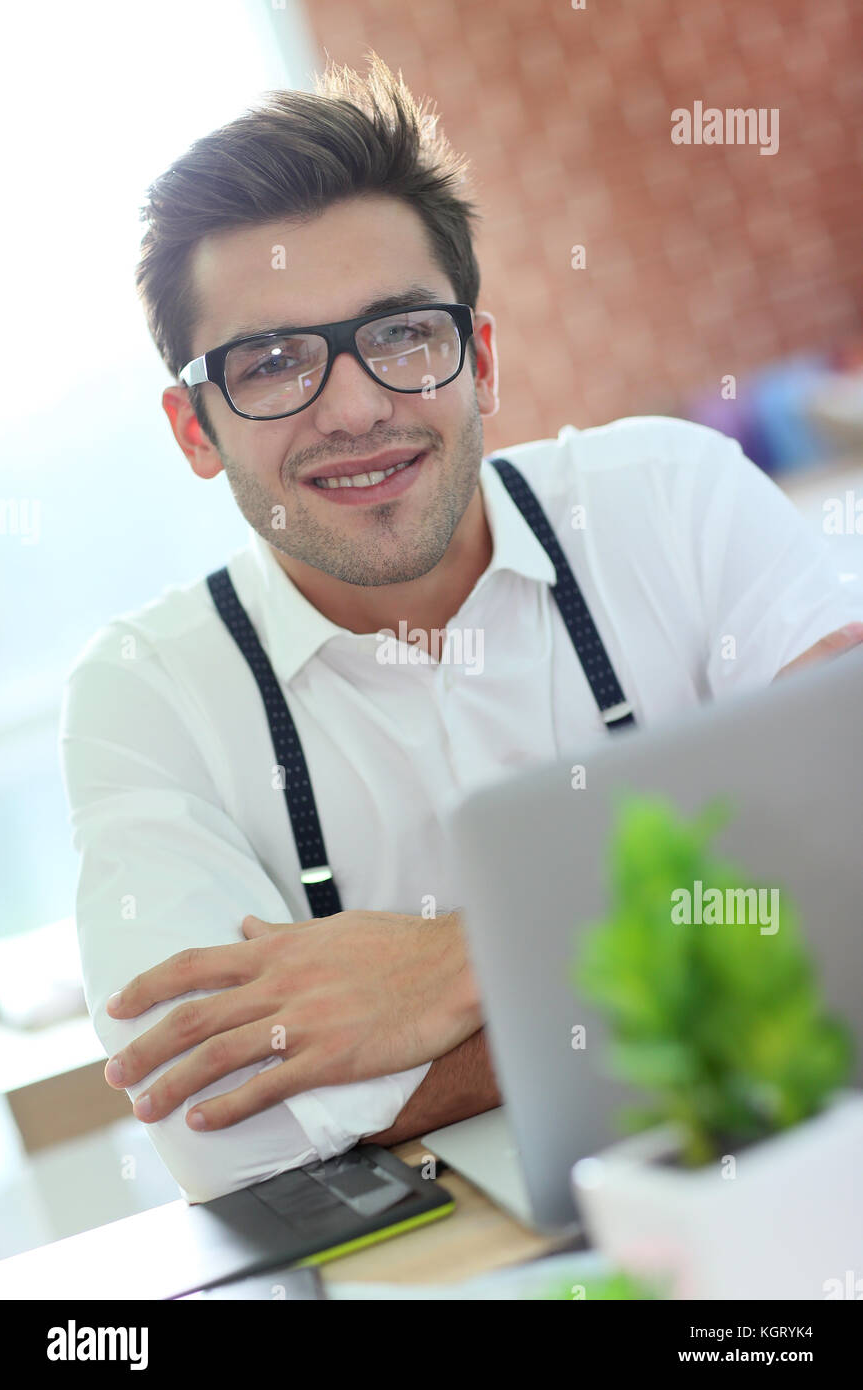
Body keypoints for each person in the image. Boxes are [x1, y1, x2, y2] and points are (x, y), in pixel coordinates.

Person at [59, 53, 863, 1204]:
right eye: (272, 362)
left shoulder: (671, 497)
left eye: (399, 334)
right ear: (195, 429)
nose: (354, 408)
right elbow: (224, 1124)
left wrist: (462, 959)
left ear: (476, 356)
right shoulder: (146, 696)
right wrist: (716, 956)